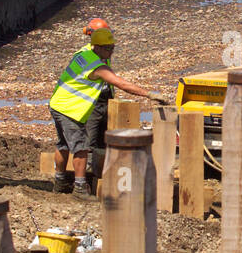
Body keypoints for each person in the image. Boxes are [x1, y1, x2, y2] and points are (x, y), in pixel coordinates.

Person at [49, 24, 167, 197]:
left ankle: (60, 182)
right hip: (70, 109)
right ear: (96, 46)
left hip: (58, 104)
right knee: (81, 148)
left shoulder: (83, 54)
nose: (110, 52)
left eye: (113, 48)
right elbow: (121, 83)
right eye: (107, 49)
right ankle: (80, 188)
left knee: (63, 144)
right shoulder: (96, 66)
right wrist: (149, 94)